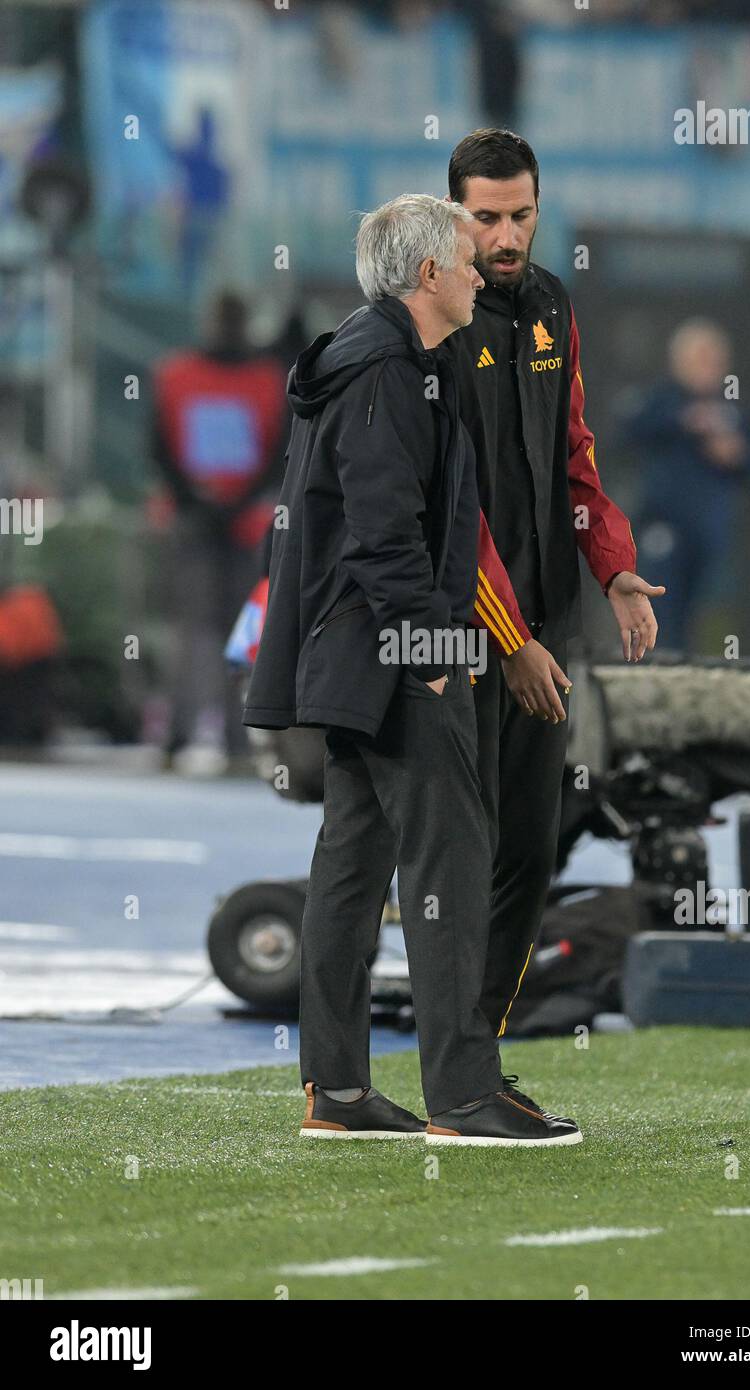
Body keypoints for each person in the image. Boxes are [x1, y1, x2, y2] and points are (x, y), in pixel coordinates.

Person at [243, 193, 582, 1145]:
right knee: (454, 856)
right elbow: (386, 530)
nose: (482, 271)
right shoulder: (391, 371)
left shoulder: (373, 355)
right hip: (393, 654)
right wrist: (431, 652)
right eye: (466, 260)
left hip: (356, 654)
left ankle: (339, 1092)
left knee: (352, 865)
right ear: (428, 275)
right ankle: (466, 1095)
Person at [440, 128, 664, 1040]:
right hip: (460, 634)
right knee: (456, 848)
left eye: (521, 215)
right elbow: (452, 511)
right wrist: (511, 640)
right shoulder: (434, 313)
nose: (505, 236)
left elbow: (577, 457)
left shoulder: (550, 305)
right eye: (486, 217)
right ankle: (439, 1054)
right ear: (454, 210)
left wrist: (615, 568)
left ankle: (478, 1049)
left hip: (547, 627)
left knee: (530, 851)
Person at [151, 290, 287, 769]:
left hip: (244, 524)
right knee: (195, 631)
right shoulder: (175, 374)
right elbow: (161, 450)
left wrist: (233, 505)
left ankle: (235, 738)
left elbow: (278, 455)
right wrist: (202, 503)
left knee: (239, 631)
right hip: (195, 521)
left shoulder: (269, 379)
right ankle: (180, 735)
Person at [625, 318, 750, 652]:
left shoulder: (734, 409)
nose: (708, 367)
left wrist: (737, 454)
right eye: (700, 357)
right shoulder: (659, 399)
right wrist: (684, 420)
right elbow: (628, 431)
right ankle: (655, 674)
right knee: (660, 607)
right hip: (665, 526)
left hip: (714, 532)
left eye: (715, 359)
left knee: (709, 613)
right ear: (678, 361)